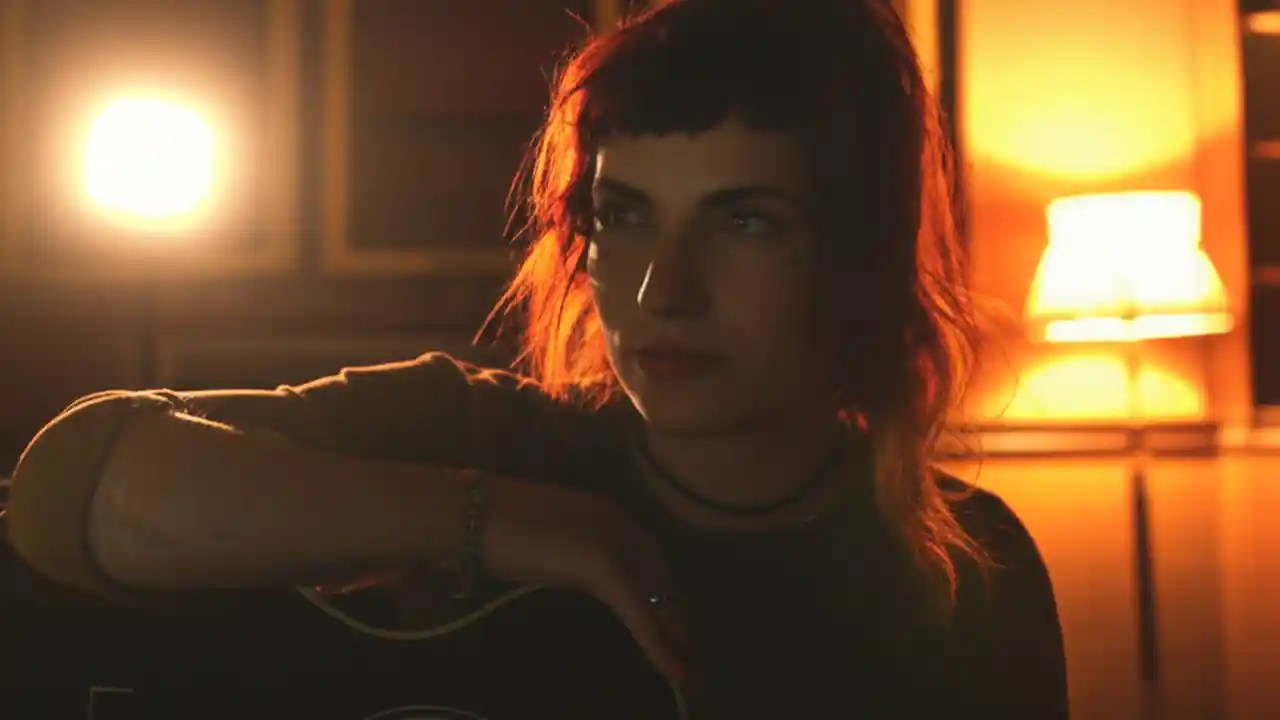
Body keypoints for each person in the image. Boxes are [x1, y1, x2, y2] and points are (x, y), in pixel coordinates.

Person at [6, 0, 1068, 717]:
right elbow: (64, 493)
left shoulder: (966, 575)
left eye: (744, 223)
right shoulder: (478, 436)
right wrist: (531, 525)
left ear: (852, 253)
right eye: (625, 216)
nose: (662, 290)